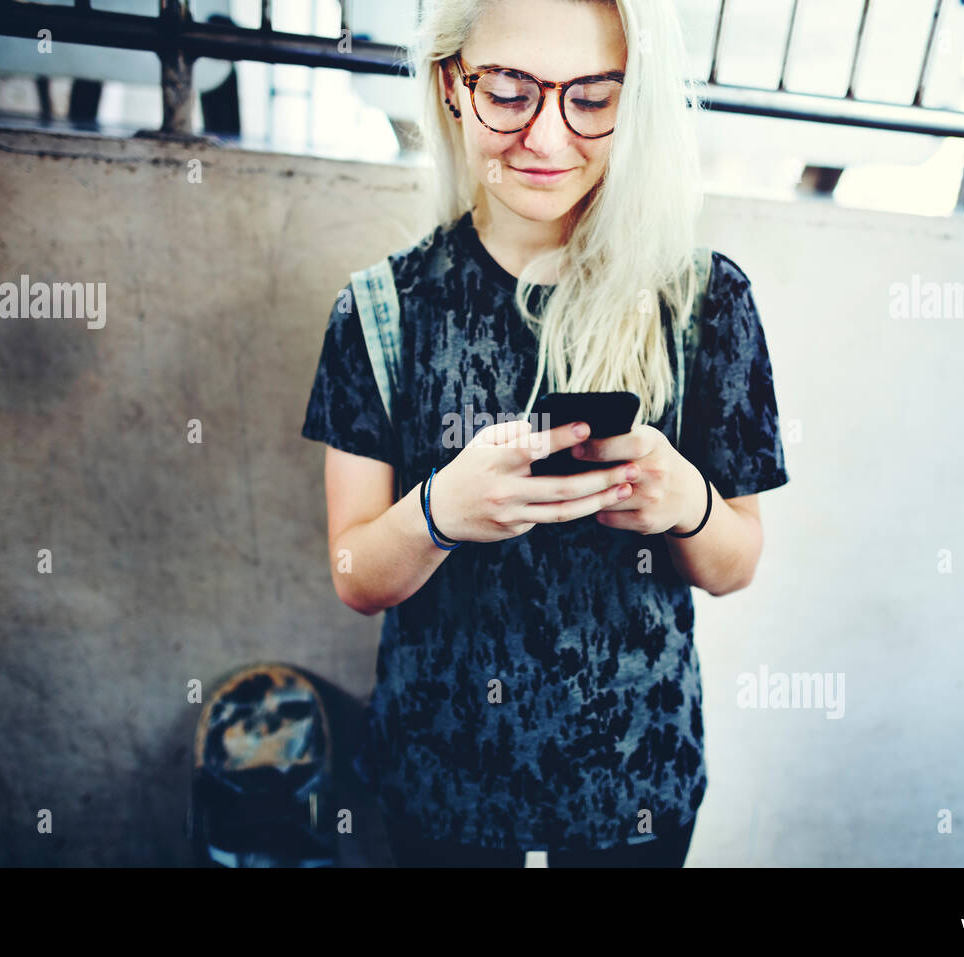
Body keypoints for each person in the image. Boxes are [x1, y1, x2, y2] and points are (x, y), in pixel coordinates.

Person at [300, 0, 789, 867]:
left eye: (593, 99)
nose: (548, 138)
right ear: (454, 84)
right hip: (439, 779)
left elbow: (737, 563)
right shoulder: (382, 311)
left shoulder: (706, 302)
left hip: (638, 779)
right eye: (512, 92)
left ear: (633, 102)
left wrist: (686, 503)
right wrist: (439, 511)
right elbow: (355, 575)